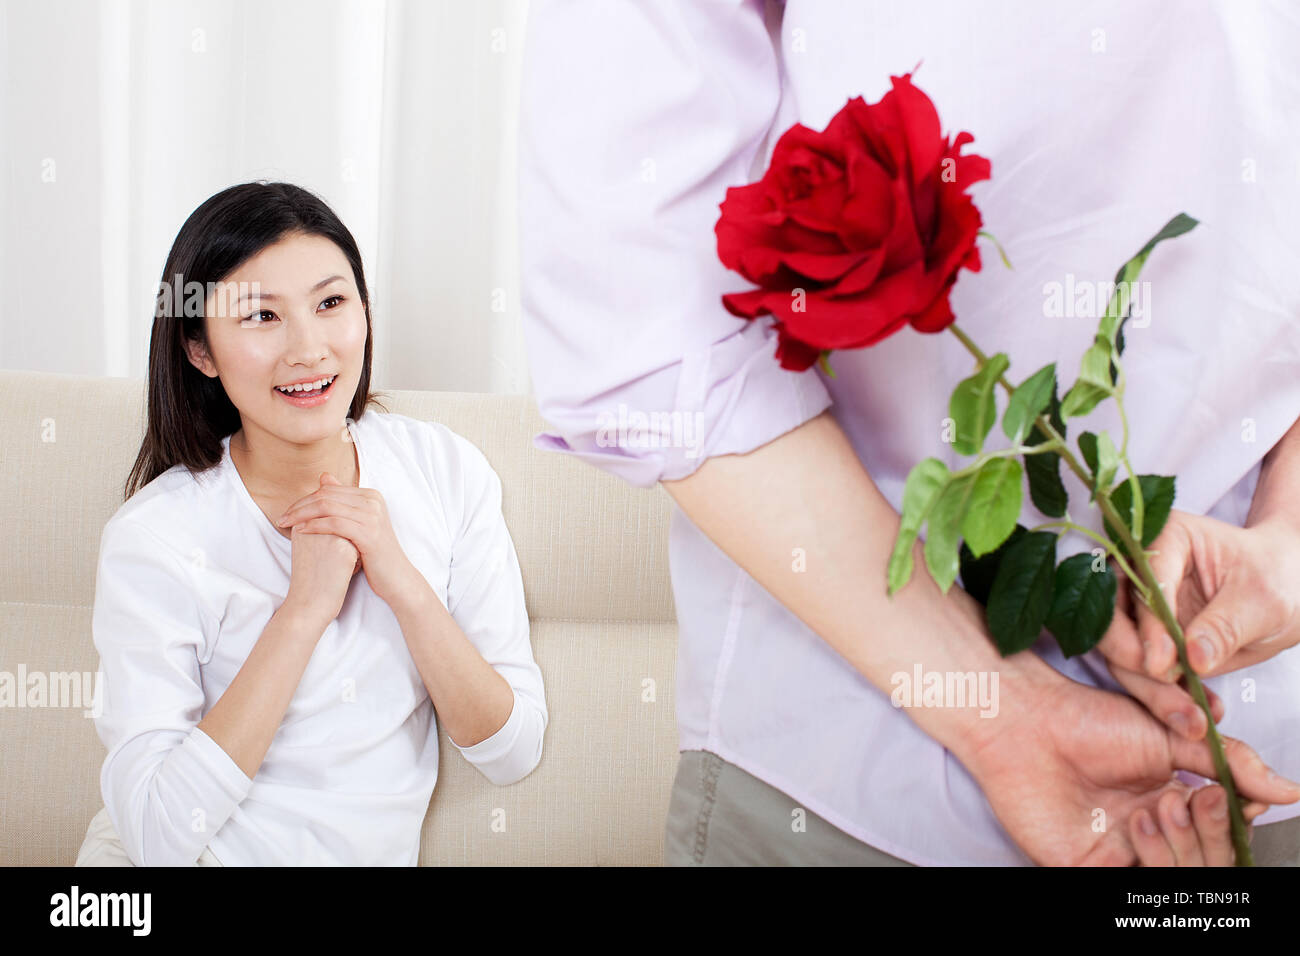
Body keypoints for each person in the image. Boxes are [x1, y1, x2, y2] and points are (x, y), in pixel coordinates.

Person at [516, 0, 1300, 865]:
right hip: (854, 777)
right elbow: (644, 321)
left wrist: (1292, 536)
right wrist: (994, 708)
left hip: (1252, 763)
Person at [75, 181, 546, 866]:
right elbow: (155, 835)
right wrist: (303, 612)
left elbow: (511, 750)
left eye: (330, 303)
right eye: (261, 317)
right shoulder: (155, 538)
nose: (309, 349)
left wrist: (401, 581)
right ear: (200, 350)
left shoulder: (443, 471)